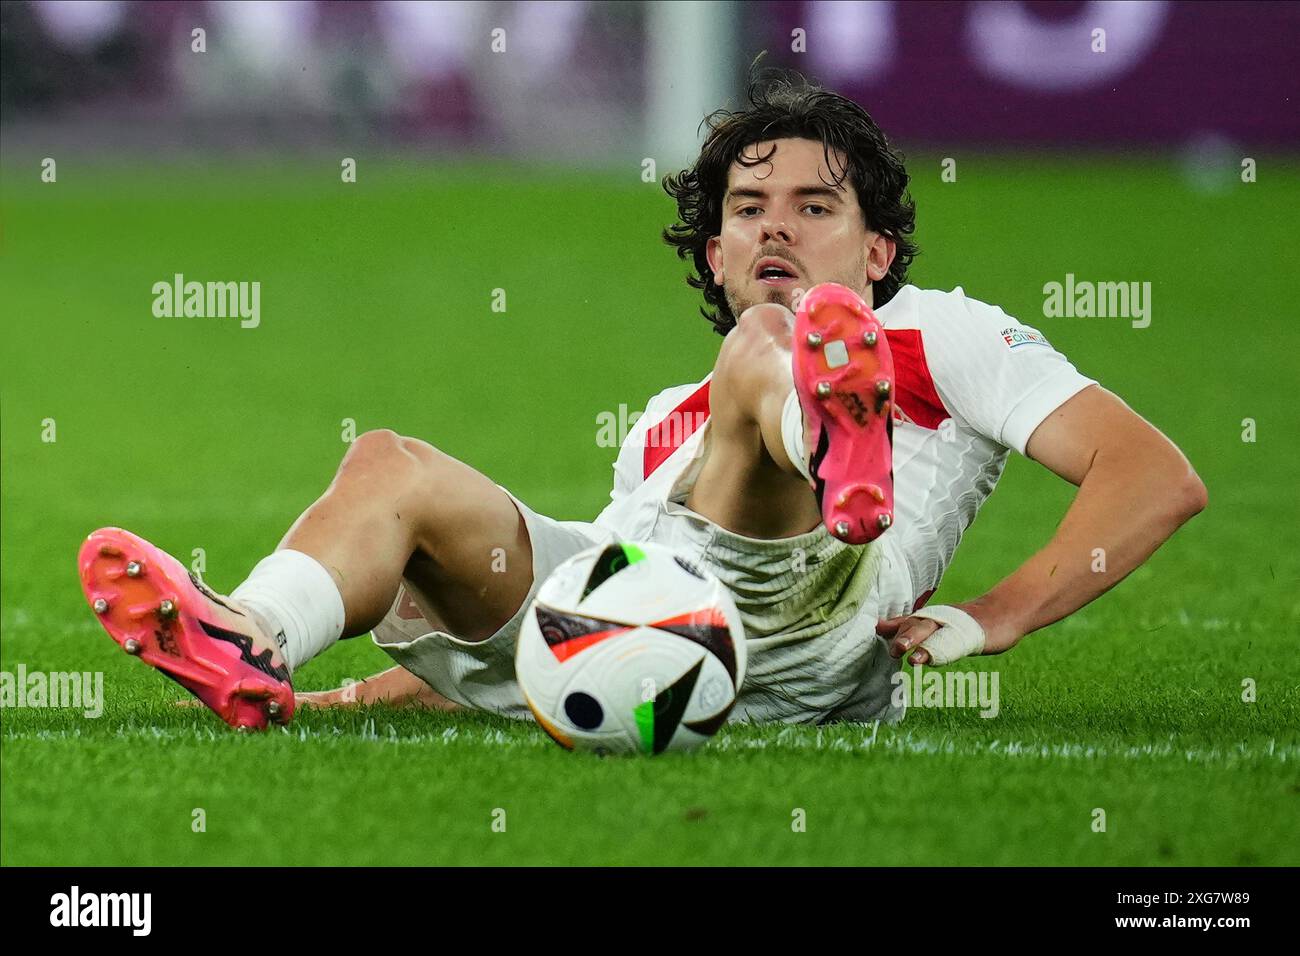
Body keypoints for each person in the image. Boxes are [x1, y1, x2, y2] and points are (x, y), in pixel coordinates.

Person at [77, 70, 1206, 730]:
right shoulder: (668, 410)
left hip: (814, 608)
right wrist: (363, 700)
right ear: (711, 252)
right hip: (661, 615)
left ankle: (827, 444)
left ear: (878, 252)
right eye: (750, 206)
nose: (776, 224)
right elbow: (586, 640)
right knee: (391, 464)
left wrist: (995, 610)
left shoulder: (946, 328)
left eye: (816, 207)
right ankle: (259, 637)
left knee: (771, 348)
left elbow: (1154, 474)